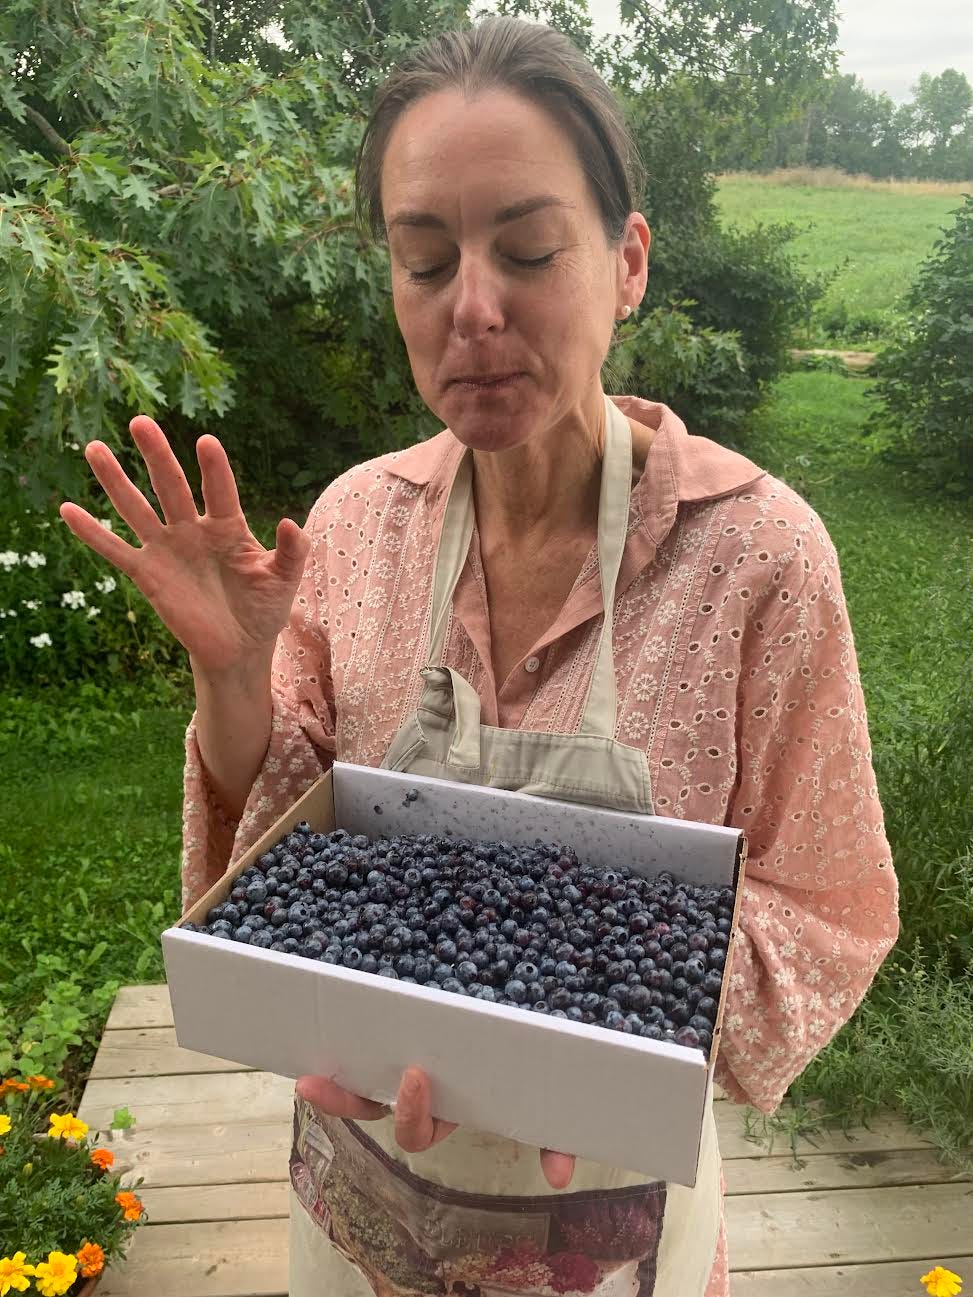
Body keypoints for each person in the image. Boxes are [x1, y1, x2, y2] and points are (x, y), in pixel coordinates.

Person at [60, 16, 899, 1296]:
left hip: (609, 1224)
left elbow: (828, 910)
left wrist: (584, 1043)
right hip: (361, 1191)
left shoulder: (757, 559)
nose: (475, 307)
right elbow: (294, 829)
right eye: (424, 260)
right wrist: (233, 684)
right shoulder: (352, 525)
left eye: (526, 248)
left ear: (626, 263)